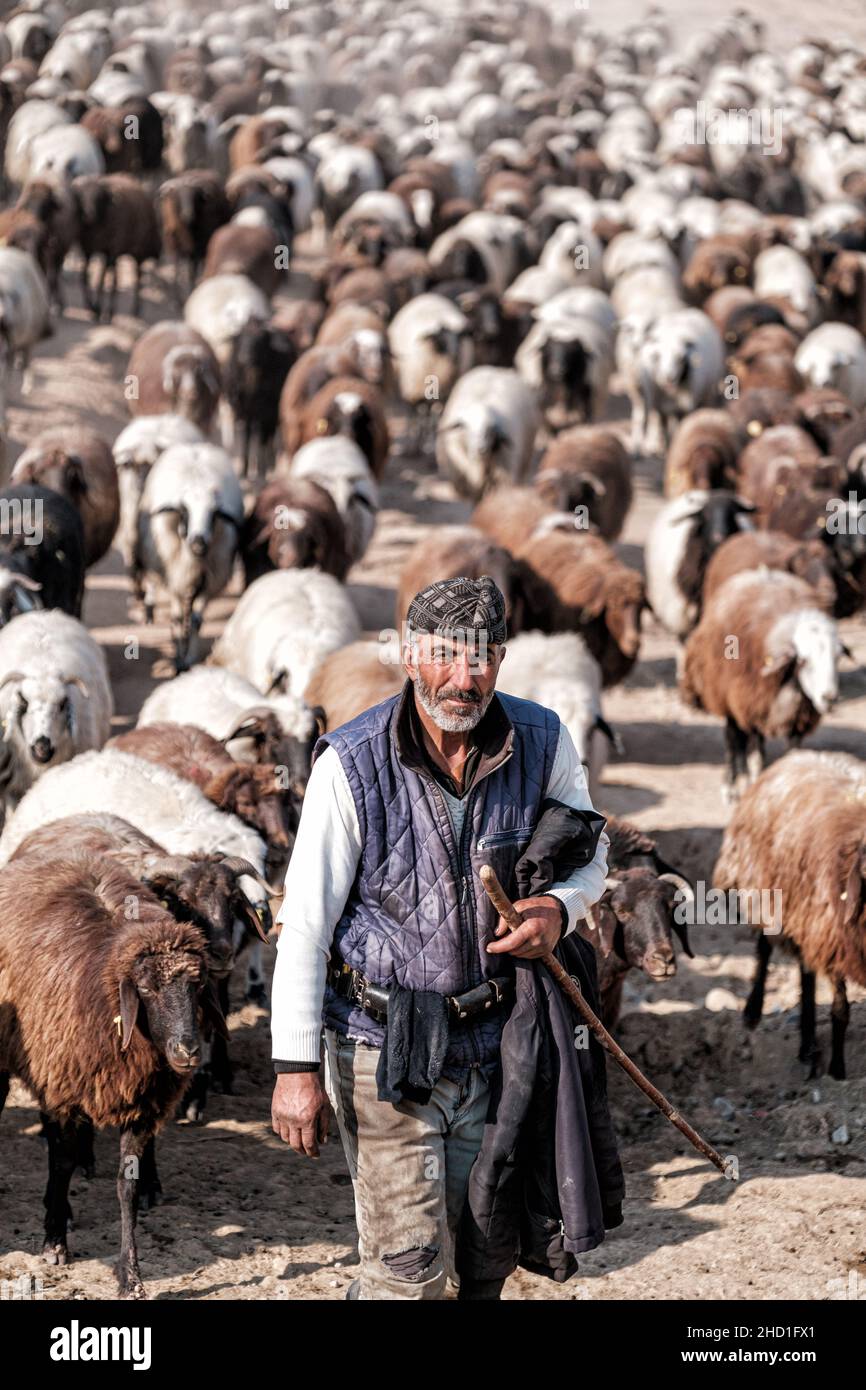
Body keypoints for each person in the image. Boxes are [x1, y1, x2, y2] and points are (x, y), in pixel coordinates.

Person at [270, 575, 610, 1299]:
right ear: (407, 654)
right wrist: (295, 1069)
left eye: (482, 656)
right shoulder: (351, 765)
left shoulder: (542, 739)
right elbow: (305, 922)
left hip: (497, 1045)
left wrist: (558, 906)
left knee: (481, 1262)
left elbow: (591, 849)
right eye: (446, 655)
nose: (465, 677)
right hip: (381, 1045)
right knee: (408, 1275)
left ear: (502, 659)